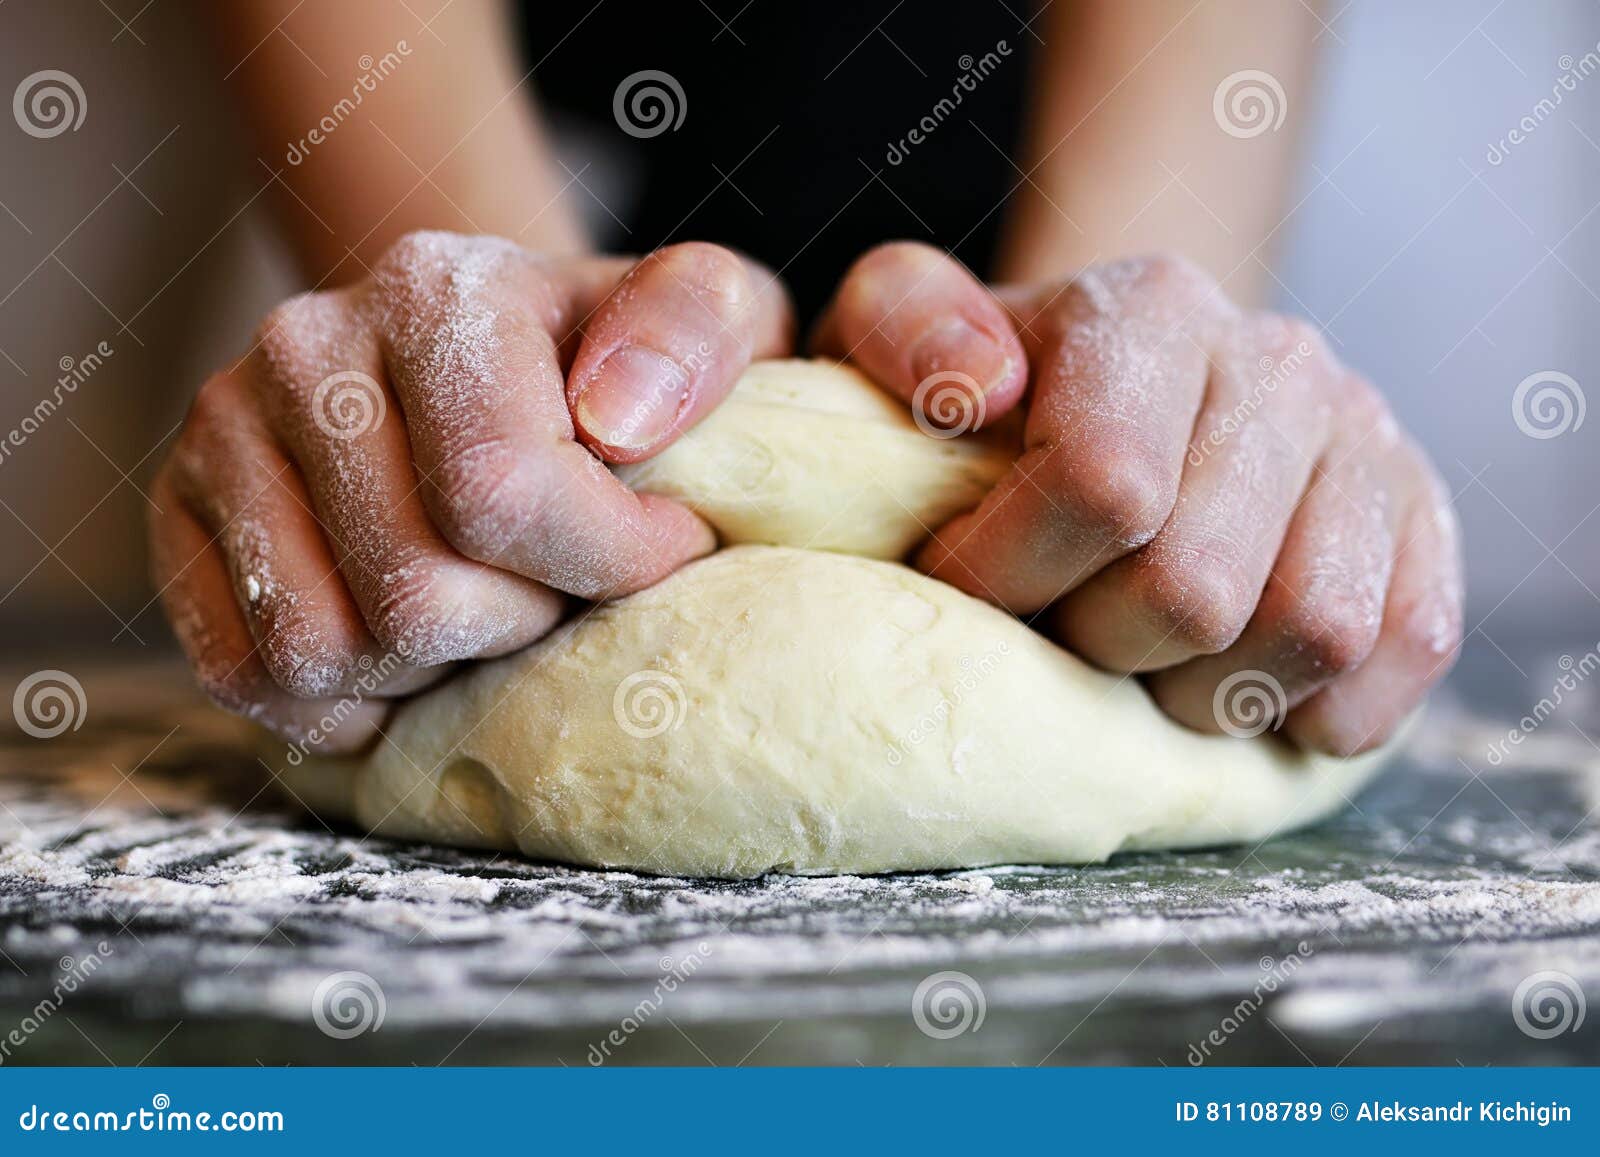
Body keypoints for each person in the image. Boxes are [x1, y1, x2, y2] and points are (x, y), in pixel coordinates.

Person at [148, 0, 1462, 759]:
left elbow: (1123, 464)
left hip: (1005, 119)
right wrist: (491, 407)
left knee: (1141, 504)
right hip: (560, 136)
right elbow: (503, 472)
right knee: (475, 500)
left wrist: (1136, 400)